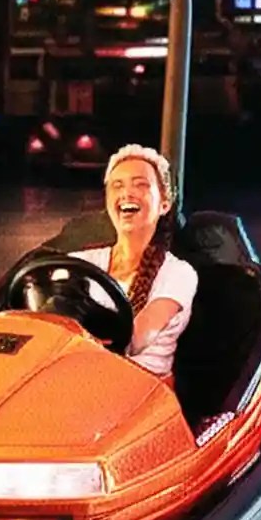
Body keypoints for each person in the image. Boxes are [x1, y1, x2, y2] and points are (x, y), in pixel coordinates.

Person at [68, 144, 198, 381]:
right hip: (80, 380)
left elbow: (134, 340)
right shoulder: (79, 263)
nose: (127, 193)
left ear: (164, 204)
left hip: (143, 394)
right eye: (117, 186)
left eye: (140, 184)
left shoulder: (178, 273)